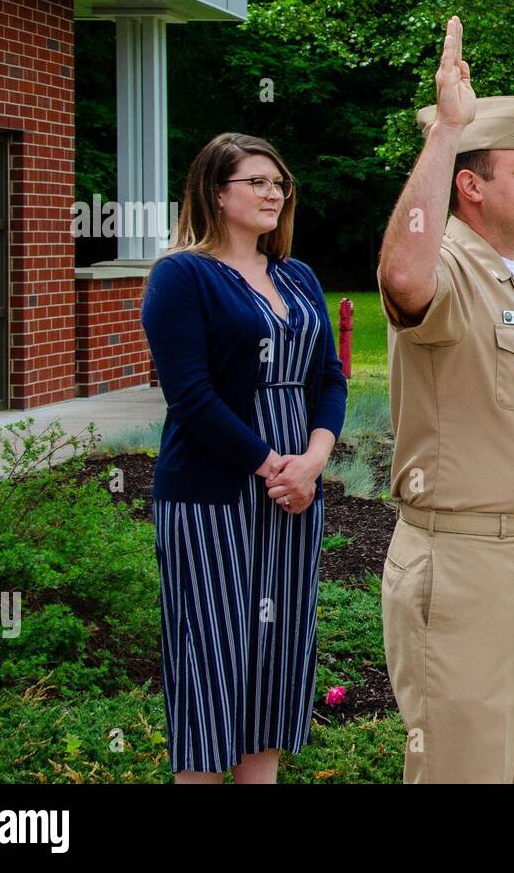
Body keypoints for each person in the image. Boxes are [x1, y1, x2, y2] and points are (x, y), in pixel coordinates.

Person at [376, 16, 514, 783]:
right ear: (471, 185)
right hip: (462, 564)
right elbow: (401, 280)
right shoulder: (449, 268)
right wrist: (445, 131)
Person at [140, 132, 347, 783]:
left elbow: (331, 381)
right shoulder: (183, 276)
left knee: (275, 657)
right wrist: (272, 466)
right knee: (212, 660)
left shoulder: (299, 276)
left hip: (295, 497)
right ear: (213, 192)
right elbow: (192, 397)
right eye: (256, 181)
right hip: (212, 498)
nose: (272, 193)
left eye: (279, 183)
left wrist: (312, 460)